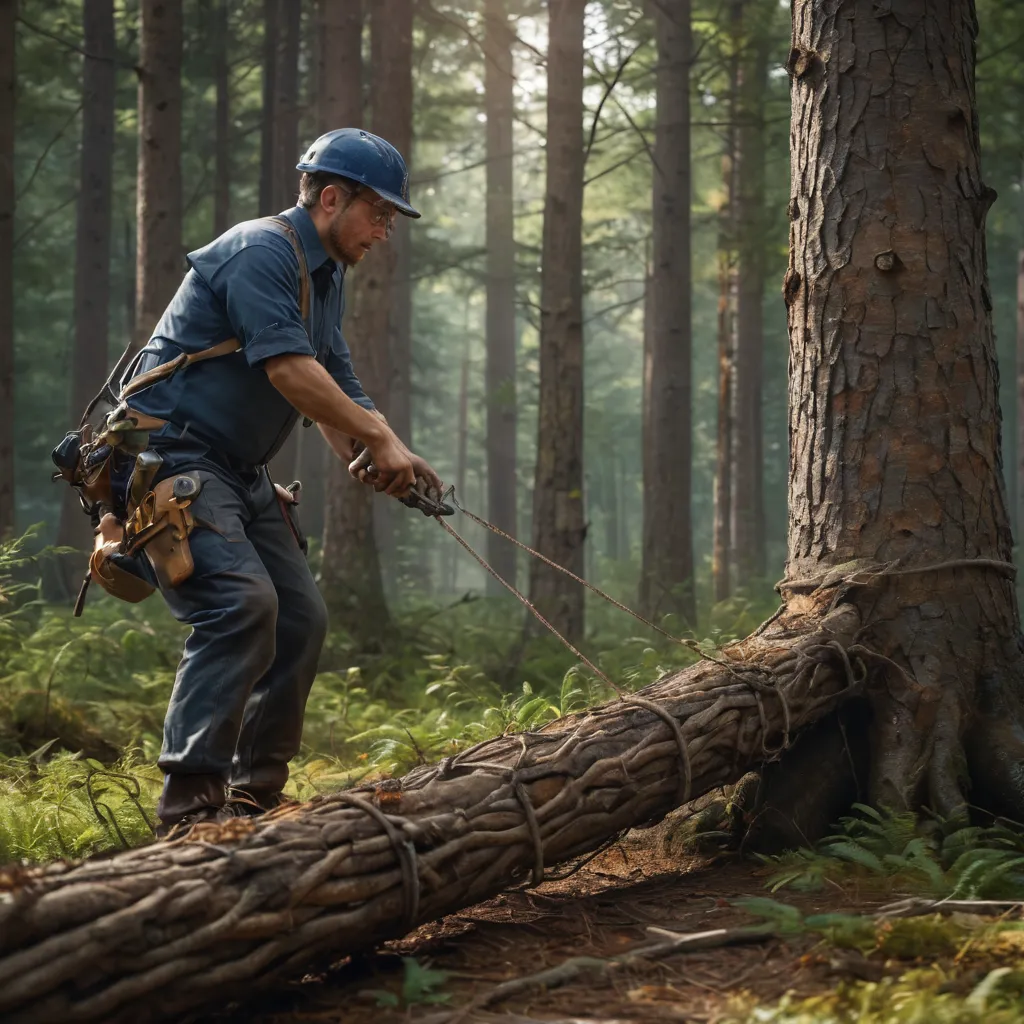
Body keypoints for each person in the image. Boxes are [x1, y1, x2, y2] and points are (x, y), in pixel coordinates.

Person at [99, 129, 441, 835]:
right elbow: (289, 372)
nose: (384, 232)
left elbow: (333, 383)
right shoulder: (260, 250)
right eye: (379, 214)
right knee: (241, 605)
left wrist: (391, 454)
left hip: (237, 472)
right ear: (331, 197)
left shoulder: (324, 275)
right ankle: (190, 809)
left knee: (300, 617)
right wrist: (377, 438)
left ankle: (254, 796)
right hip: (175, 460)